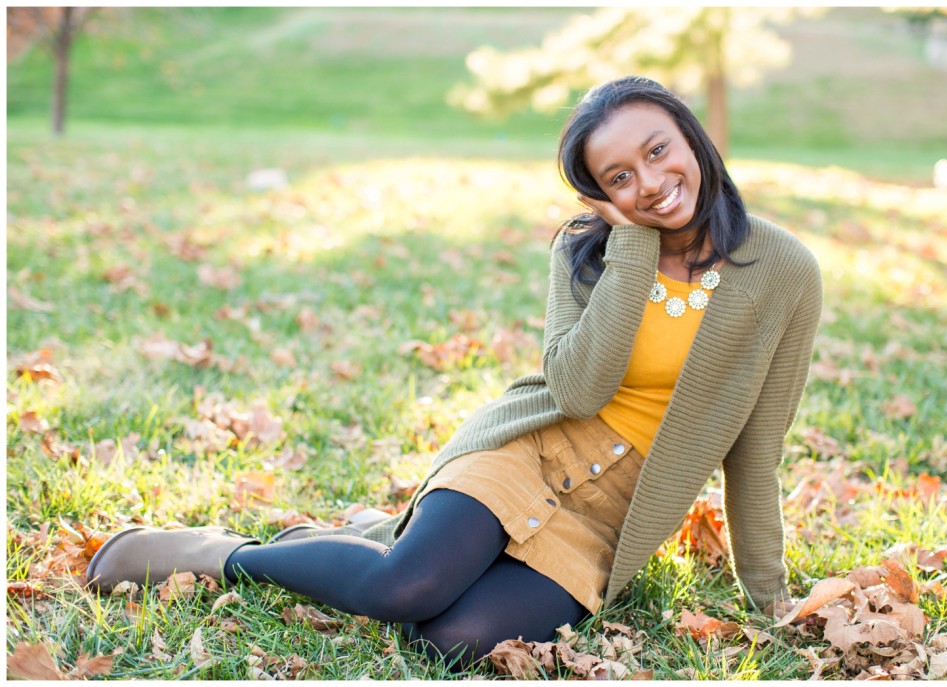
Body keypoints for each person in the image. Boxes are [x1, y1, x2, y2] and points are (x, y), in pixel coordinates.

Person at [86, 76, 822, 667]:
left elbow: (756, 452)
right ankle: (221, 555)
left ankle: (368, 536)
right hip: (527, 454)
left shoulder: (784, 270)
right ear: (601, 196)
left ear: (693, 137)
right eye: (620, 177)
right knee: (405, 587)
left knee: (452, 639)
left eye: (659, 151)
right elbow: (578, 391)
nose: (652, 182)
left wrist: (770, 600)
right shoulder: (589, 252)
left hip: (607, 523)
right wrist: (631, 246)